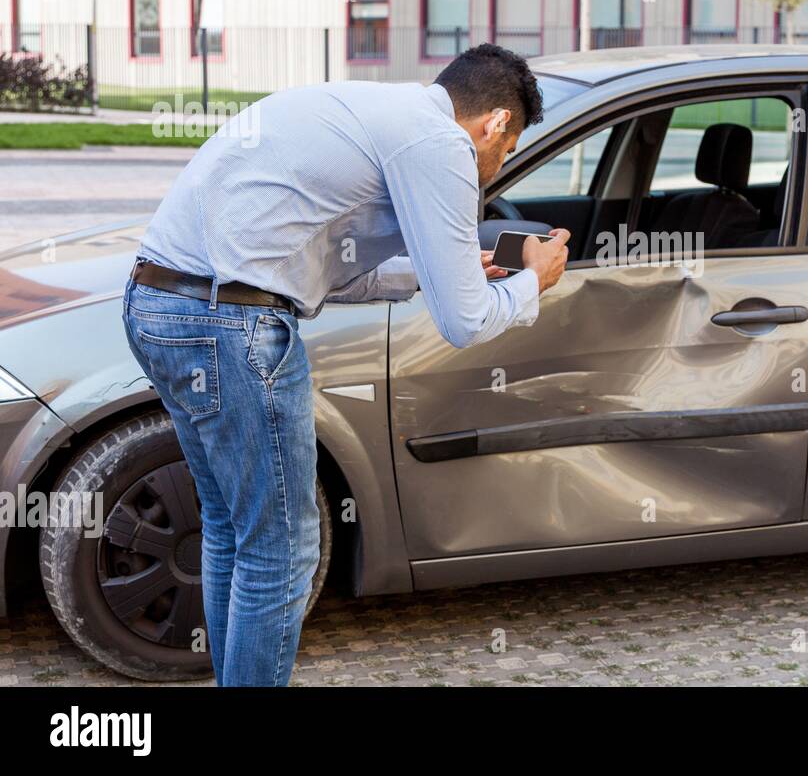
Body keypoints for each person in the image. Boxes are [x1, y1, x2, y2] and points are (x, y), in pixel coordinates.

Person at [121, 44, 569, 686]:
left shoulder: (374, 111)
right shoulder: (439, 144)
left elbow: (321, 272)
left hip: (161, 303)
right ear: (494, 122)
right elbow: (465, 323)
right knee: (282, 551)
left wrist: (441, 273)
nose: (499, 167)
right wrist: (534, 283)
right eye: (509, 147)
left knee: (230, 529)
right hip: (231, 322)